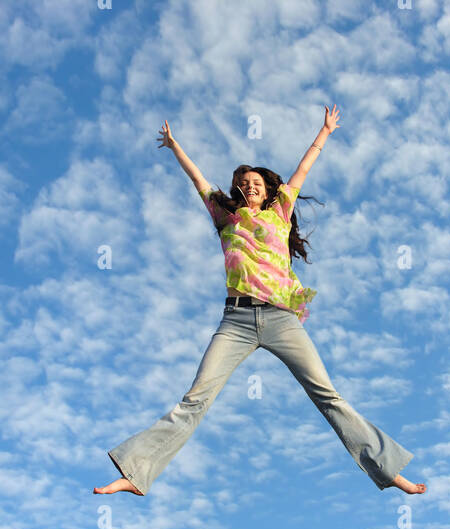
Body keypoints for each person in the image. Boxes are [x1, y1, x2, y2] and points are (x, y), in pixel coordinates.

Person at [95, 105, 426, 501]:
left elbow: (304, 168)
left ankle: (387, 471)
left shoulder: (281, 210)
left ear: (268, 190)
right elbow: (198, 179)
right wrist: (175, 146)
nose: (251, 186)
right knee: (195, 399)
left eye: (257, 182)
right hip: (235, 321)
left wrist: (324, 132)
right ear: (238, 190)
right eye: (245, 182)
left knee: (327, 395)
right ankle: (137, 471)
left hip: (282, 319)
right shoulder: (225, 217)